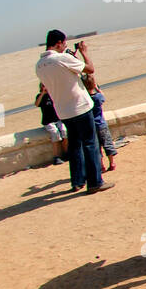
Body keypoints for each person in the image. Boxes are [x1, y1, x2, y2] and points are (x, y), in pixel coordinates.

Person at [35, 31, 110, 194]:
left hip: (63, 111)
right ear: (59, 43)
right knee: (90, 143)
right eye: (64, 44)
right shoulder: (62, 58)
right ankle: (95, 182)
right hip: (80, 106)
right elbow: (89, 69)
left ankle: (77, 181)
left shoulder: (39, 65)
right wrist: (84, 53)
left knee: (74, 146)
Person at [82, 74, 117, 172]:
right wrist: (97, 89)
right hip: (101, 124)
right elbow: (103, 97)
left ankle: (101, 165)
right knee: (107, 143)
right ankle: (112, 162)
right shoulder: (98, 97)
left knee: (97, 147)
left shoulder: (86, 99)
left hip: (92, 126)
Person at [35, 85, 67, 165]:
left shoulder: (54, 94)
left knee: (64, 131)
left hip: (58, 119)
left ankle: (66, 153)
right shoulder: (40, 96)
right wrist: (43, 93)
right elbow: (36, 104)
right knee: (55, 133)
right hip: (48, 121)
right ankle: (56, 157)